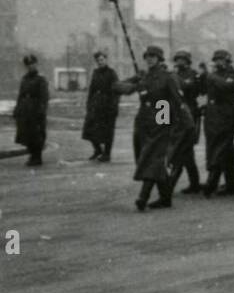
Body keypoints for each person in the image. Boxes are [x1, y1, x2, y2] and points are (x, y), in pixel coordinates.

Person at [117, 45, 194, 211]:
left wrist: (188, 125)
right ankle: (166, 198)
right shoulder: (144, 76)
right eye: (147, 56)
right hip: (143, 119)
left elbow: (179, 101)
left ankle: (143, 197)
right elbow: (121, 88)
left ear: (160, 59)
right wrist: (133, 81)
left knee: (153, 156)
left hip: (162, 113)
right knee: (149, 157)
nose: (149, 58)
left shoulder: (168, 77)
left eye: (153, 56)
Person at [202, 49, 234, 196]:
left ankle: (211, 182)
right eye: (216, 60)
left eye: (221, 60)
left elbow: (226, 86)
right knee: (223, 149)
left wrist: (211, 77)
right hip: (212, 115)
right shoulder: (214, 75)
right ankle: (231, 184)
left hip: (227, 115)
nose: (218, 62)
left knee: (220, 148)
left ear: (227, 60)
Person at [169, 49, 203, 193]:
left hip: (189, 117)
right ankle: (194, 183)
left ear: (188, 61)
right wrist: (162, 121)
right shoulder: (172, 76)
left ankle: (168, 187)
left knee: (180, 151)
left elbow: (188, 87)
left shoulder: (193, 75)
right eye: (177, 59)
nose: (179, 62)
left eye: (182, 59)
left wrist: (174, 78)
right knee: (186, 153)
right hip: (174, 118)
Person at [13, 54, 49, 167]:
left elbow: (44, 97)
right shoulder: (24, 79)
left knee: (37, 134)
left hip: (35, 110)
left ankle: (37, 157)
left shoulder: (41, 79)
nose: (30, 67)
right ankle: (32, 154)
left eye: (32, 64)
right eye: (28, 65)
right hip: (25, 110)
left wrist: (41, 110)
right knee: (26, 133)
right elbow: (21, 95)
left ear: (36, 64)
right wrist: (17, 108)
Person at [82, 51, 119, 161]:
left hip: (107, 106)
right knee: (90, 129)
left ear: (106, 60)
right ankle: (97, 150)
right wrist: (89, 104)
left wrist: (113, 106)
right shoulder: (95, 73)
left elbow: (116, 90)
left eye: (102, 60)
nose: (100, 62)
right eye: (98, 60)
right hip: (95, 105)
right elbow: (92, 89)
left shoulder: (112, 73)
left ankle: (107, 154)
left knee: (107, 131)